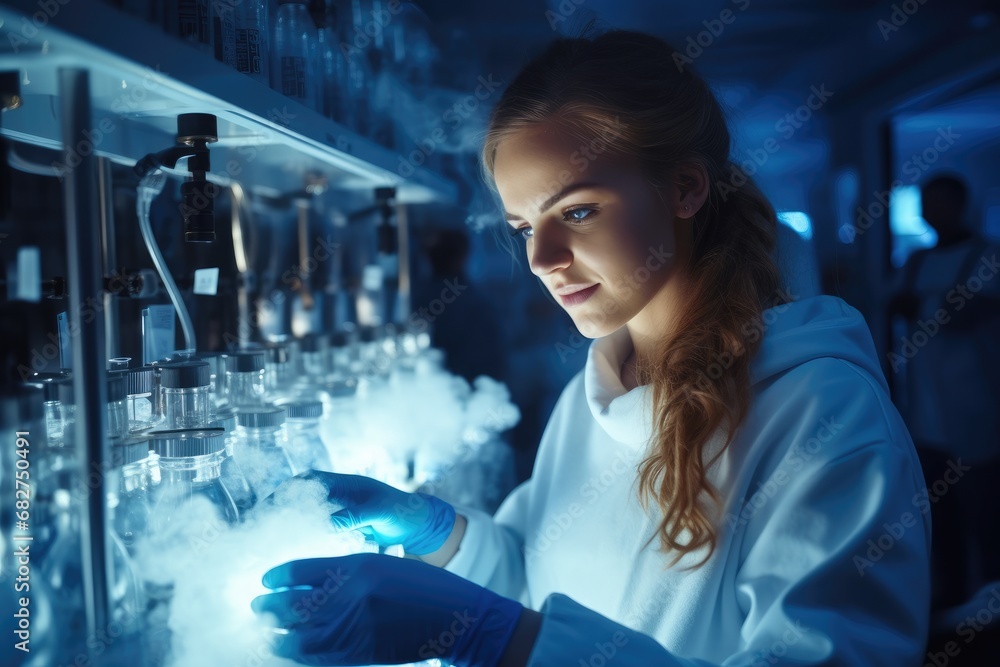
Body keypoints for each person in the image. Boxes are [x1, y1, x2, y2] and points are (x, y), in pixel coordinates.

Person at [251, 31, 931, 666]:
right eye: (522, 226)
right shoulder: (597, 386)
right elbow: (538, 576)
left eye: (576, 211)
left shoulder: (825, 412)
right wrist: (440, 534)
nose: (542, 258)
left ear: (685, 188)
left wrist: (504, 639)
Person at [888, 174, 1000, 610]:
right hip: (925, 416)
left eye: (941, 203)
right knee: (939, 520)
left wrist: (928, 304)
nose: (933, 213)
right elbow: (895, 305)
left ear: (961, 204)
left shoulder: (987, 255)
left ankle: (989, 608)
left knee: (986, 517)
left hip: (978, 409)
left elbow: (966, 313)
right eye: (926, 204)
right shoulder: (916, 261)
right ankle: (950, 604)